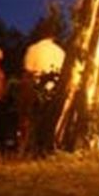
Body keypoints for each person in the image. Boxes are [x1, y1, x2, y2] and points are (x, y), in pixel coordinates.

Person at [19, 23, 65, 154]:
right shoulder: (60, 52)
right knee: (51, 120)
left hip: (37, 90)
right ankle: (52, 146)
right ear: (54, 36)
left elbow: (27, 73)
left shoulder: (33, 49)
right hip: (55, 91)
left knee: (33, 120)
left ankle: (30, 148)